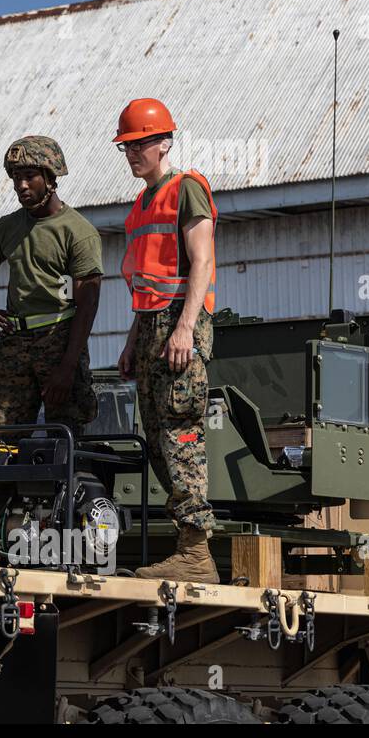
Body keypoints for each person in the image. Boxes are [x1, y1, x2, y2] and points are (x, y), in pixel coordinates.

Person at [113, 98, 219, 582]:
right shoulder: (139, 206)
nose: (132, 153)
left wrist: (184, 328)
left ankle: (196, 554)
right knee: (157, 439)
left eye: (140, 144)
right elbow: (145, 282)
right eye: (127, 146)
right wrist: (134, 340)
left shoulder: (187, 189)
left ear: (164, 143)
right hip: (151, 326)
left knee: (181, 434)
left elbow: (202, 261)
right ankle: (186, 547)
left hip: (180, 323)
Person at [0, 135, 102, 433]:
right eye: (16, 178)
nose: (21, 186)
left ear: (50, 177)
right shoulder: (7, 227)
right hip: (13, 341)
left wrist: (68, 366)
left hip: (60, 339)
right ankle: (5, 483)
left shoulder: (78, 231)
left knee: (65, 435)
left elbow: (88, 303)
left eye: (29, 176)